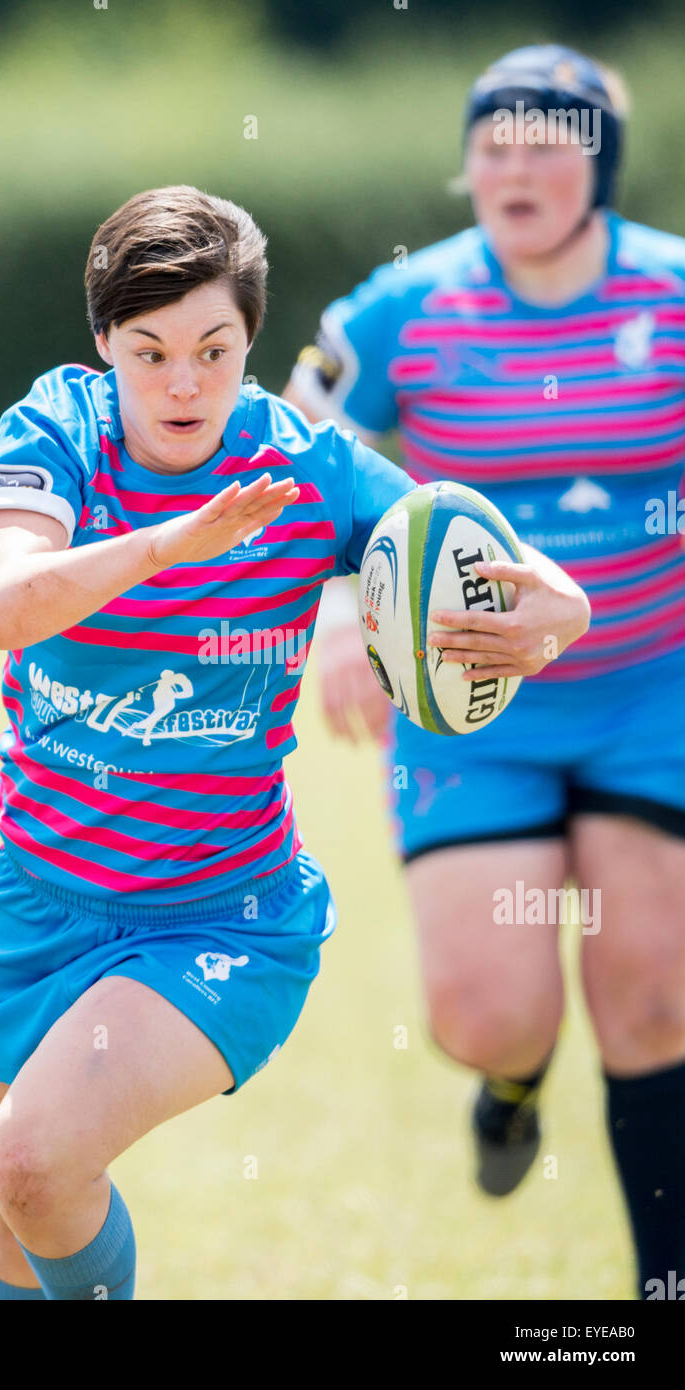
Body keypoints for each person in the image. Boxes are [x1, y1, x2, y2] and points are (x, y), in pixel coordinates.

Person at [0, 184, 588, 1300]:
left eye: (215, 347)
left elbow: (480, 553)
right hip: (35, 899)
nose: (184, 383)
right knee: (22, 1214)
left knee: (31, 1156)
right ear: (103, 342)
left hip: (222, 915)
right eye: (148, 352)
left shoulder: (307, 465)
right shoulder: (53, 430)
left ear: (251, 338)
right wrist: (169, 543)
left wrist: (556, 611)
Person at [283, 43, 685, 1299]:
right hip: (472, 710)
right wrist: (342, 604)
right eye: (491, 143)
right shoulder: (403, 308)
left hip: (652, 696)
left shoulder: (673, 296)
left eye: (544, 142)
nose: (513, 166)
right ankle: (511, 1083)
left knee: (654, 997)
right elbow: (294, 459)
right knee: (486, 1011)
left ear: (598, 164)